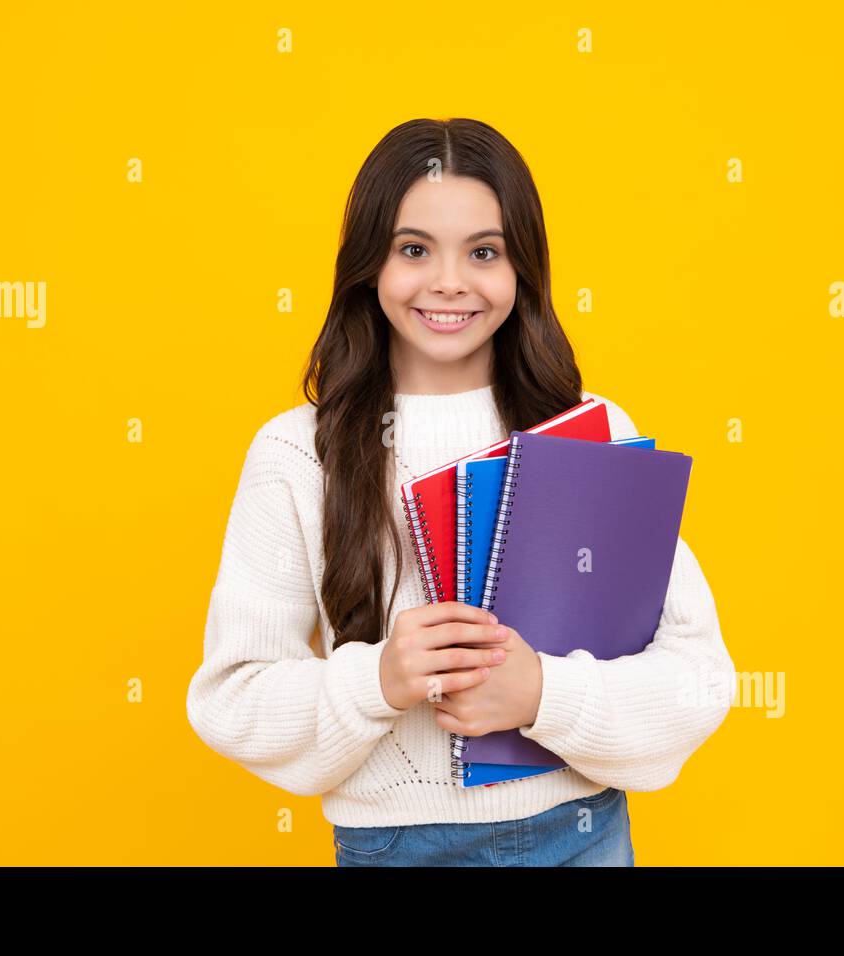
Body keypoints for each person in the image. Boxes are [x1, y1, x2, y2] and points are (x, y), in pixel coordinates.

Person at [185, 117, 735, 866]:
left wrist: (544, 694)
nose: (449, 281)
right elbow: (231, 699)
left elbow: (699, 677)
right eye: (414, 250)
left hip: (583, 837)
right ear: (368, 265)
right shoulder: (295, 453)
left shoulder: (587, 432)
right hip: (393, 848)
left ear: (523, 270)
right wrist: (376, 681)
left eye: (484, 252)